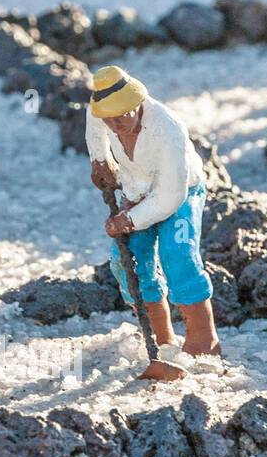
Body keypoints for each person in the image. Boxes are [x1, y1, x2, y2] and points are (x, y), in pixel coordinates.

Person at [86, 64, 220, 358]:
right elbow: (95, 121)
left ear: (138, 104)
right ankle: (161, 338)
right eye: (110, 119)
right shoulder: (105, 116)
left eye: (123, 116)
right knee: (129, 262)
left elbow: (170, 196)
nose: (117, 125)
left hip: (180, 193)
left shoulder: (167, 129)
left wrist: (128, 220)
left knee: (179, 255)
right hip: (137, 191)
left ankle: (203, 341)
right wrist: (100, 159)